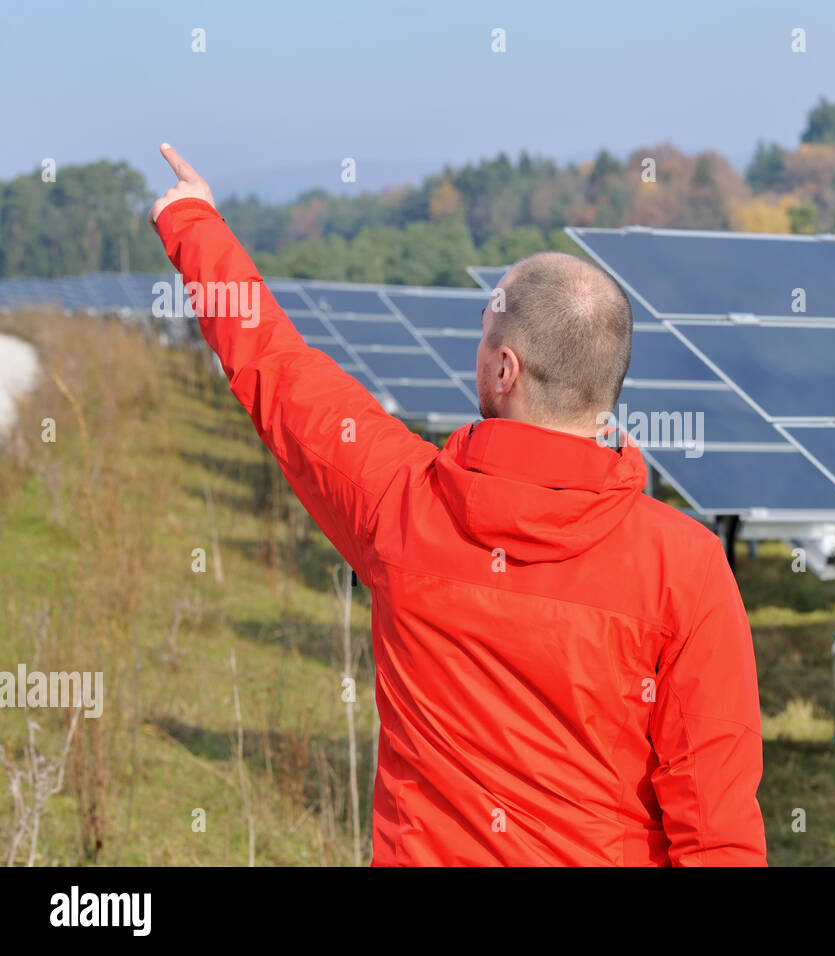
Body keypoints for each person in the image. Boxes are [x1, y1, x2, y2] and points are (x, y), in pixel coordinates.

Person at [150, 144, 767, 866]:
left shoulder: (401, 504)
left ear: (504, 369)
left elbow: (278, 373)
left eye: (484, 335)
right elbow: (718, 831)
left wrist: (192, 223)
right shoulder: (686, 566)